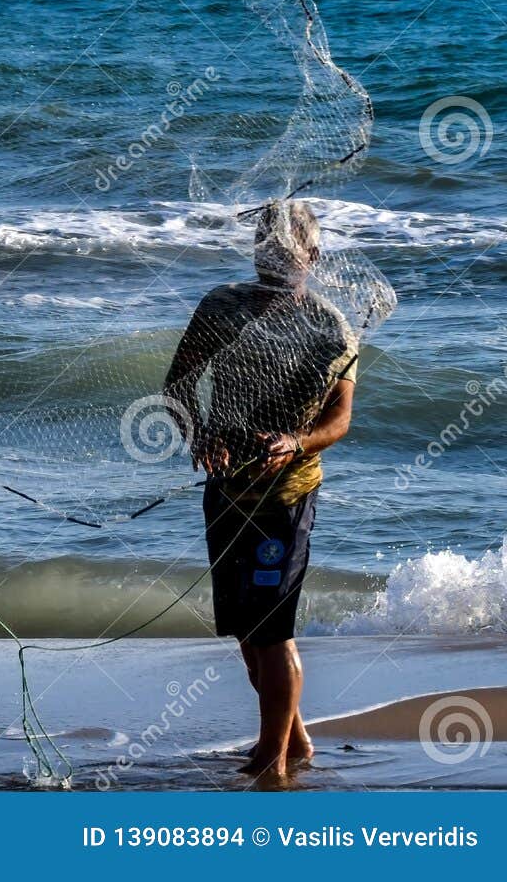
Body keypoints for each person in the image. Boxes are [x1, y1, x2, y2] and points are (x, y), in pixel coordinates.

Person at [163, 199, 358, 784]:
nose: (272, 262)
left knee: (272, 631)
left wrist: (297, 443)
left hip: (286, 500)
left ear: (313, 257)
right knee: (246, 632)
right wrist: (200, 434)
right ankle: (295, 738)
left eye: (285, 253)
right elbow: (178, 383)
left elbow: (340, 420)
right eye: (263, 250)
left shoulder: (332, 327)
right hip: (225, 492)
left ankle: (271, 757)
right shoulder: (221, 307)